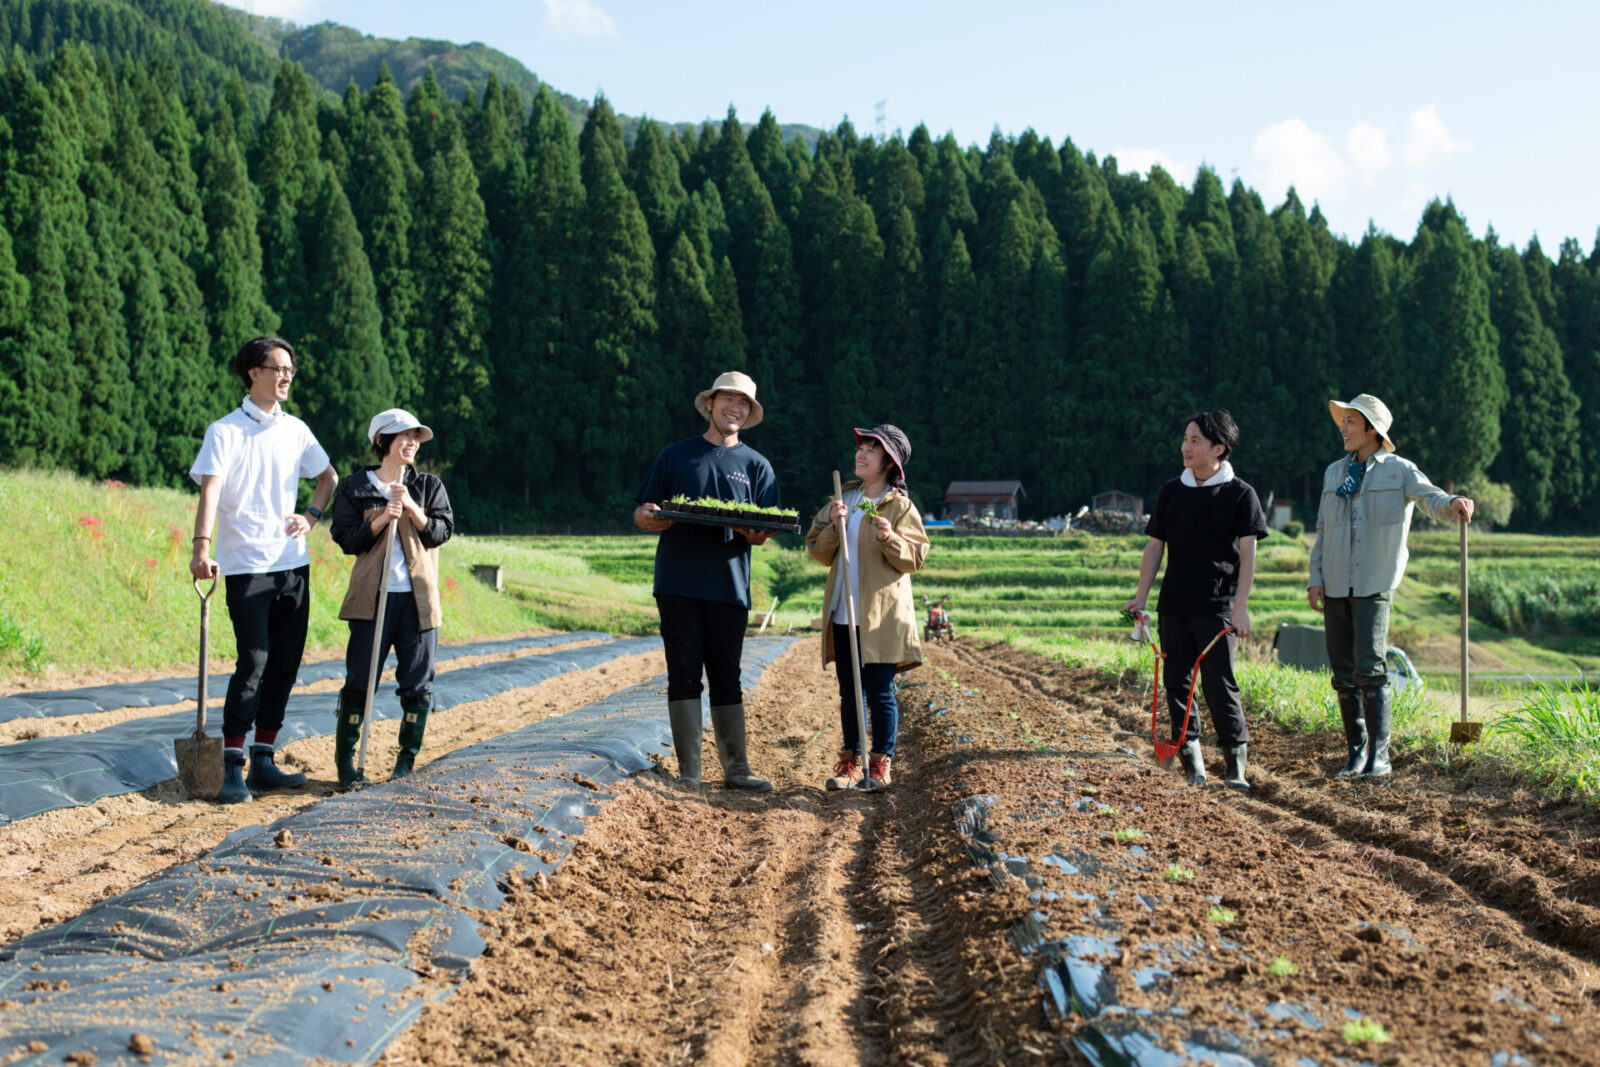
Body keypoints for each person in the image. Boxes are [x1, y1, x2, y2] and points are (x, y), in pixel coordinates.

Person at [189, 337, 338, 804]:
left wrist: (311, 516)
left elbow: (328, 478)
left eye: (292, 369)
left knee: (285, 664)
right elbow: (209, 494)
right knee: (253, 660)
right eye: (279, 368)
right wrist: (201, 548)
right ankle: (233, 765)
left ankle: (265, 759)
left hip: (293, 565)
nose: (287, 375)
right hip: (246, 566)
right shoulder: (224, 431)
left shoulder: (296, 430)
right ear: (254, 372)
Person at [1309, 395, 1473, 781]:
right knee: (1342, 671)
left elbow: (1430, 497)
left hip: (1374, 582)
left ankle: (1379, 757)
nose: (1343, 428)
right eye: (1342, 421)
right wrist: (1315, 577)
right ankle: (1355, 752)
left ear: (1372, 429)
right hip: (1334, 581)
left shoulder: (1399, 470)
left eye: (1351, 421)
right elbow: (1321, 528)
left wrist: (1453, 503)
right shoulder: (1334, 473)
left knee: (1370, 665)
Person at [633, 371, 781, 792]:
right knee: (683, 674)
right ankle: (690, 772)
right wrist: (645, 518)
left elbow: (764, 527)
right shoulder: (676, 456)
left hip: (729, 585)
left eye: (744, 404)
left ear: (748, 413)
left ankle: (737, 769)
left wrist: (758, 533)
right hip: (678, 582)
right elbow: (644, 511)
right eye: (728, 400)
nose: (735, 408)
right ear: (711, 404)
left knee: (727, 674)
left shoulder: (757, 467)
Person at [1123, 411, 1268, 791]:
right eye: (1185, 438)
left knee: (1221, 685)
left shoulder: (1241, 494)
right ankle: (1192, 763)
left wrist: (1240, 606)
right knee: (1177, 683)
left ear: (1218, 448)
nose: (1185, 446)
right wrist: (1141, 596)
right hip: (1174, 605)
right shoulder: (1171, 492)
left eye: (1194, 441)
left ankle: (1235, 767)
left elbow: (1249, 554)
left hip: (1218, 606)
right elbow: (1155, 546)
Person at [328, 409, 454, 789]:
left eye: (416, 436)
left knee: (417, 684)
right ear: (382, 440)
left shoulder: (429, 487)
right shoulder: (355, 487)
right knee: (359, 681)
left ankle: (405, 762)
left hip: (417, 601)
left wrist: (413, 509)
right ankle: (347, 764)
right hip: (372, 599)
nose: (412, 442)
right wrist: (383, 517)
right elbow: (345, 538)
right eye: (404, 435)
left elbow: (441, 532)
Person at [806, 426, 929, 790]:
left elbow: (915, 557)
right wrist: (835, 524)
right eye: (861, 446)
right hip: (844, 611)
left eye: (872, 449)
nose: (861, 454)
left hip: (881, 615)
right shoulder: (842, 498)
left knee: (879, 691)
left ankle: (880, 766)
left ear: (889, 463)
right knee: (849, 691)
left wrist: (890, 538)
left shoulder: (900, 506)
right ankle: (851, 764)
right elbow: (817, 549)